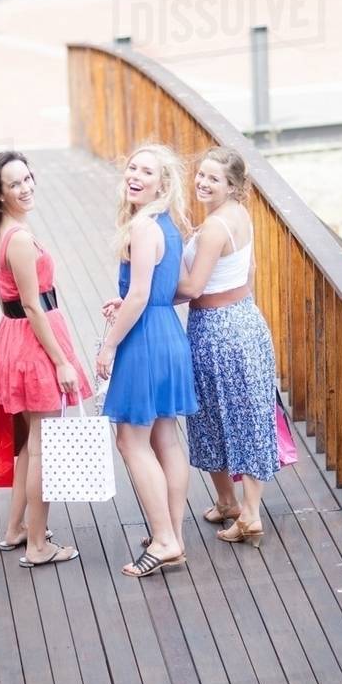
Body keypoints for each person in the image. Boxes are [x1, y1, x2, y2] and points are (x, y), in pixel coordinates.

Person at [0, 150, 92, 568]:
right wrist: (61, 361)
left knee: (29, 445)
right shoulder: (19, 239)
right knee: (42, 449)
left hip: (14, 337)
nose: (25, 188)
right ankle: (39, 546)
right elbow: (33, 305)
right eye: (14, 184)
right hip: (32, 341)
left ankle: (15, 530)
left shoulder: (2, 230)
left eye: (27, 179)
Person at [96, 143, 198, 578]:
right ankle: (171, 533)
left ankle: (163, 539)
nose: (135, 176)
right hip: (167, 333)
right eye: (132, 168)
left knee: (131, 441)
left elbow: (140, 295)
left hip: (144, 342)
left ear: (163, 183)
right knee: (165, 439)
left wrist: (109, 346)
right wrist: (128, 303)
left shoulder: (142, 227)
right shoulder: (168, 226)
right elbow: (161, 289)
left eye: (147, 171)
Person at [176, 147, 278, 544]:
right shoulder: (239, 216)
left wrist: (144, 293)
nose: (202, 182)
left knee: (216, 416)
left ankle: (247, 512)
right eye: (200, 175)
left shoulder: (216, 228)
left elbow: (192, 288)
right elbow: (248, 271)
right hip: (245, 319)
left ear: (232, 185)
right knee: (244, 413)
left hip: (215, 328)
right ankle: (231, 504)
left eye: (213, 179)